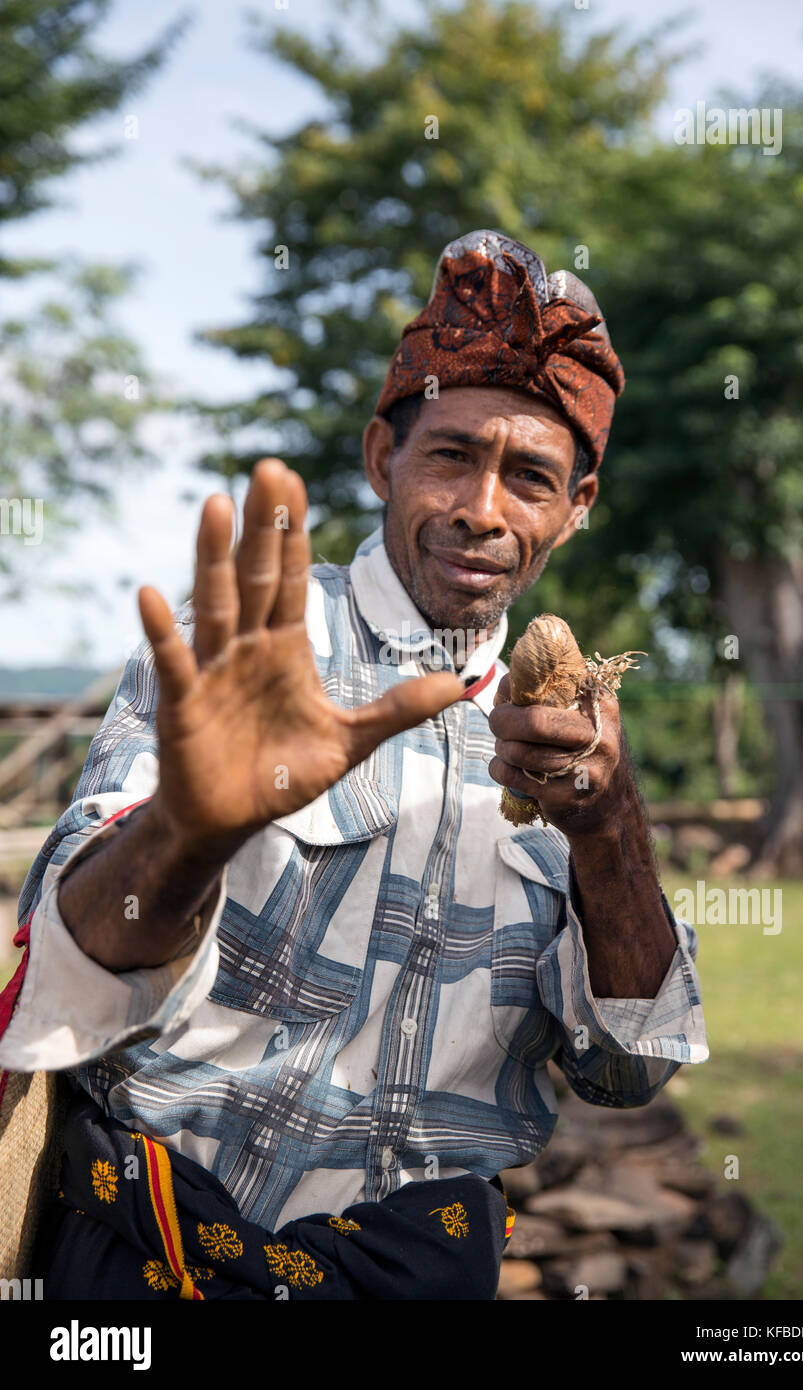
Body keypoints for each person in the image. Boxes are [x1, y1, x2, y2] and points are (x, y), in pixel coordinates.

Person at [0, 229, 708, 1300]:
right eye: (450, 455)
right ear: (384, 458)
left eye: (529, 476)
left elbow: (628, 1067)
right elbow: (72, 965)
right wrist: (191, 830)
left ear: (576, 510)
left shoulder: (564, 724)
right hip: (153, 1267)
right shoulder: (249, 648)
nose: (481, 509)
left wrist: (607, 830)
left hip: (403, 1279)